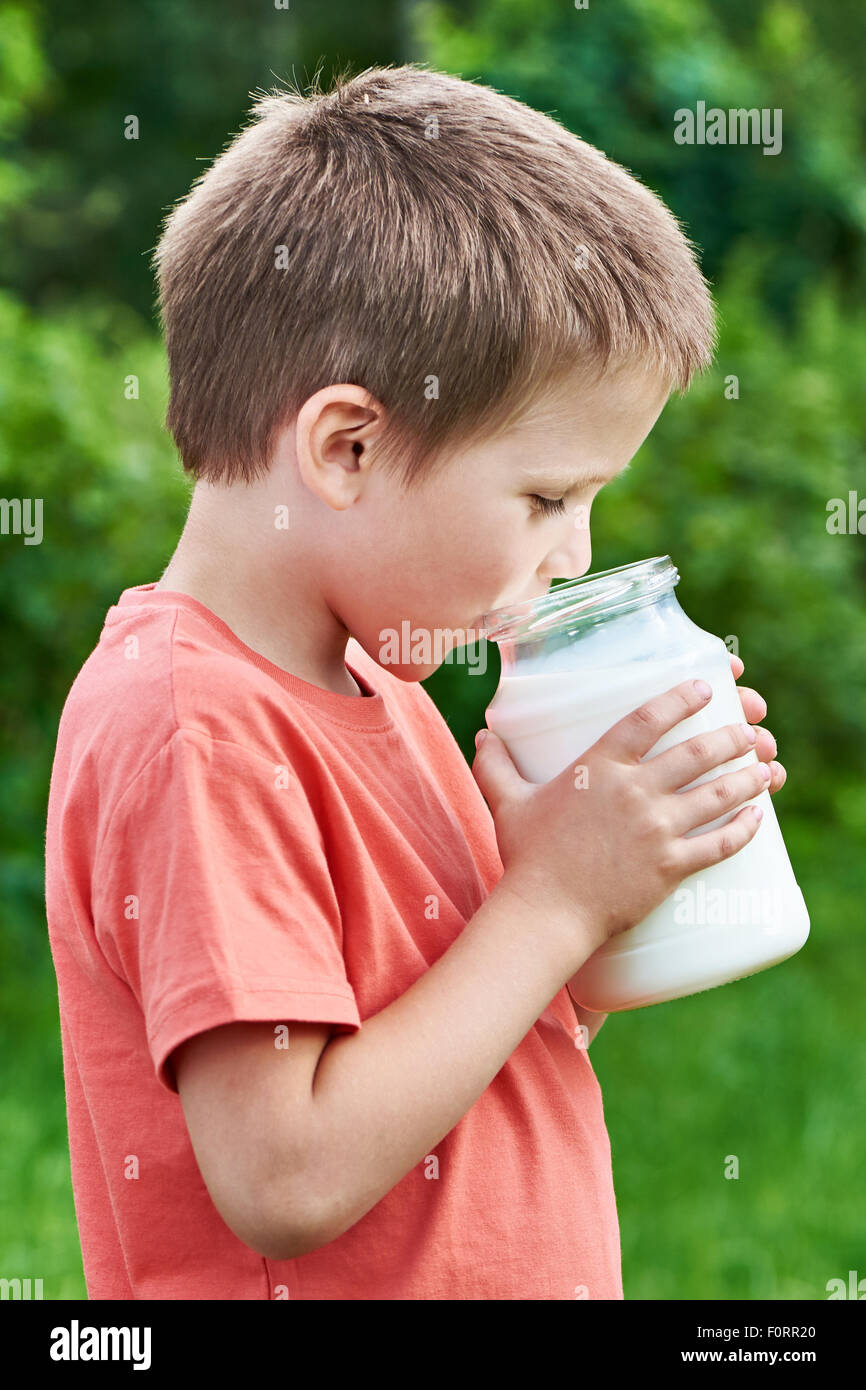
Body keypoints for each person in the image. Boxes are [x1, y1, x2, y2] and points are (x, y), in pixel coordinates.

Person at [44, 63, 785, 1300]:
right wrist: (546, 900)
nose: (574, 554)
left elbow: (460, 1061)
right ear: (347, 446)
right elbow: (287, 1179)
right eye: (548, 497)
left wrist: (599, 879)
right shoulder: (194, 724)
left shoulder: (378, 694)